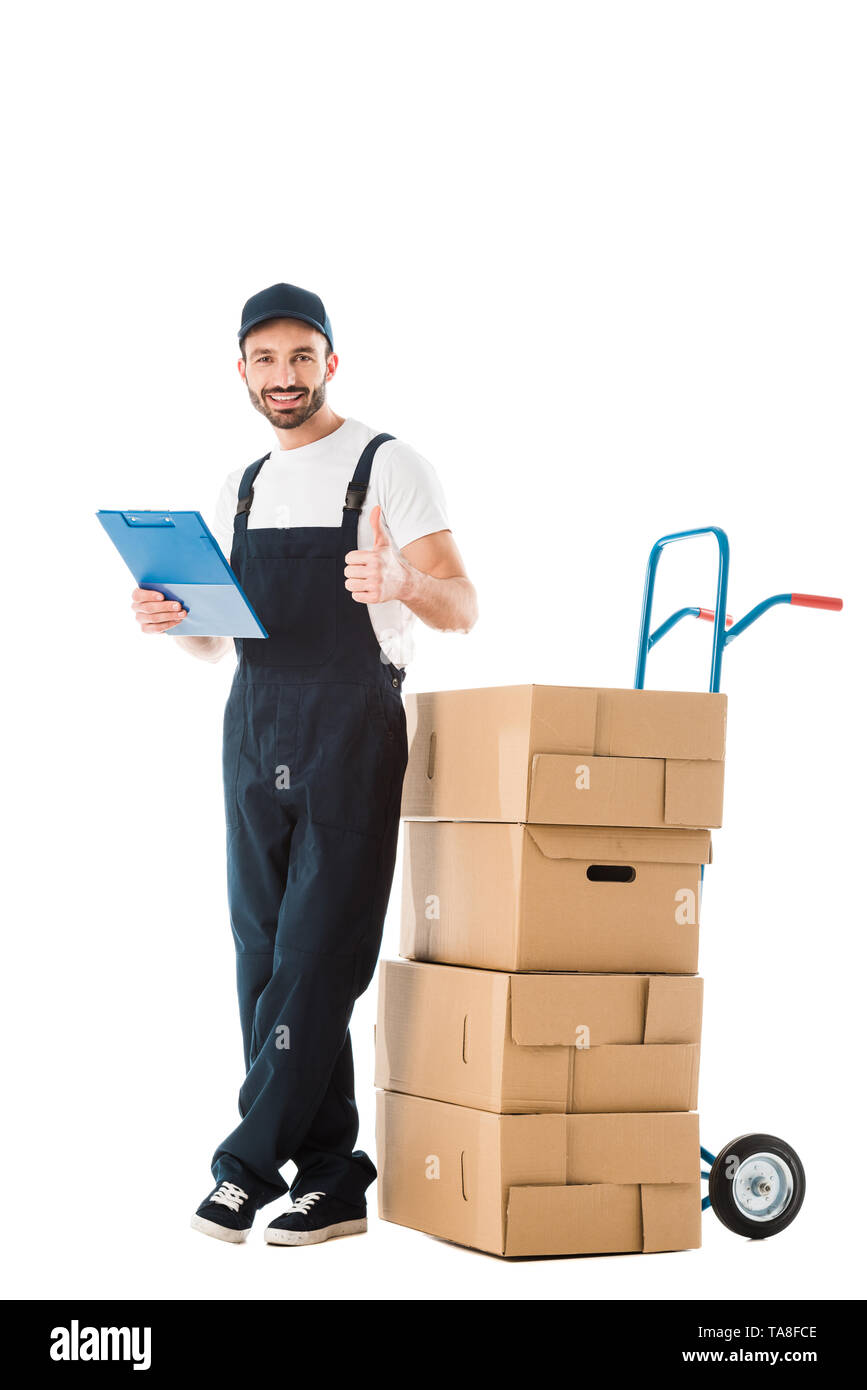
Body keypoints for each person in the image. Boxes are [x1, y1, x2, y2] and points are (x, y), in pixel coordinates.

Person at [131, 282, 477, 1246]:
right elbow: (217, 643)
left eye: (301, 357)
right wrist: (174, 622)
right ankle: (331, 1177)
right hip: (252, 726)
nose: (284, 377)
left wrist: (404, 579)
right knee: (261, 959)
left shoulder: (387, 464)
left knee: (319, 955)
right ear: (241, 369)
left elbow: (462, 605)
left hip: (351, 726)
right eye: (265, 360)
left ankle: (242, 1167)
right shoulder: (239, 486)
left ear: (332, 361)